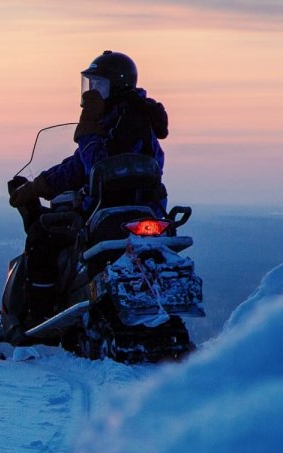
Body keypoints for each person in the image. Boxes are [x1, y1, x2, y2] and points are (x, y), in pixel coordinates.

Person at [9, 50, 169, 323]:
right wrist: (38, 186)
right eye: (90, 84)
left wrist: (88, 131)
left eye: (99, 85)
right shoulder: (126, 118)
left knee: (41, 237)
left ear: (116, 86)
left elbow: (98, 165)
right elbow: (76, 167)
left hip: (107, 211)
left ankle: (40, 317)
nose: (91, 92)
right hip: (146, 209)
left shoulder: (125, 121)